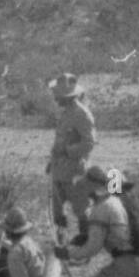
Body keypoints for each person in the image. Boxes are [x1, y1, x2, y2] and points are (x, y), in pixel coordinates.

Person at [46, 72, 96, 236]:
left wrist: (67, 151)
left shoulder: (82, 115)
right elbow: (60, 141)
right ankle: (60, 241)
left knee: (81, 209)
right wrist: (51, 161)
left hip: (74, 172)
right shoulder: (65, 113)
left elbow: (89, 143)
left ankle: (86, 242)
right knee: (57, 209)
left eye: (58, 95)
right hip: (59, 170)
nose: (55, 98)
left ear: (67, 96)